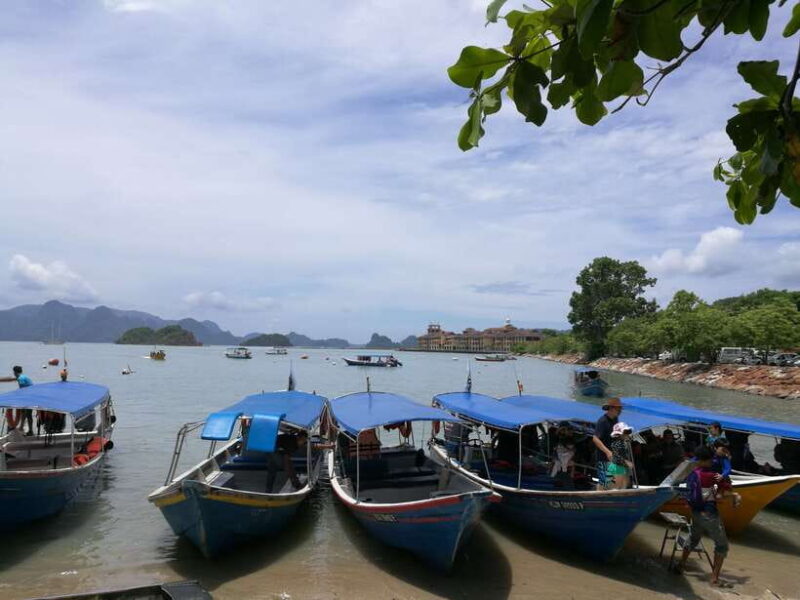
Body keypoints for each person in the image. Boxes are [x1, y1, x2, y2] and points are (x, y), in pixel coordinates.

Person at [671, 446, 729, 586]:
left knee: (693, 538)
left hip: (695, 512)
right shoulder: (712, 475)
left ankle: (680, 565)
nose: (712, 461)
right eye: (710, 459)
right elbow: (723, 492)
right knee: (722, 545)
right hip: (710, 514)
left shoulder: (692, 473)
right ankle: (714, 578)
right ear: (706, 460)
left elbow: (680, 487)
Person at [592, 397, 622, 490]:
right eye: (618, 409)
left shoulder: (615, 419)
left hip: (614, 457)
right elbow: (595, 438)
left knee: (616, 482)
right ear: (611, 409)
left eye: (620, 409)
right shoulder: (603, 421)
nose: (620, 411)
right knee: (605, 483)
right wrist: (607, 452)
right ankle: (599, 495)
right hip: (603, 457)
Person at [0, 366, 34, 435]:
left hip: (29, 398)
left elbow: (22, 390)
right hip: (30, 397)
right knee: (24, 413)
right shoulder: (23, 376)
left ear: (14, 372)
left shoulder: (21, 378)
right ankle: (22, 427)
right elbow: (11, 379)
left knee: (28, 414)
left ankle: (30, 431)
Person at [712, 439, 742, 508]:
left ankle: (734, 495)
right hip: (711, 478)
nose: (725, 452)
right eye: (723, 449)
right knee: (717, 496)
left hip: (721, 479)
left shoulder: (724, 458)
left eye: (726, 450)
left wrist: (722, 475)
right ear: (715, 448)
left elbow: (728, 469)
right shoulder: (709, 455)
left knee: (718, 496)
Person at [606, 422, 634, 489]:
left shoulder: (620, 443)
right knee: (618, 488)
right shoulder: (618, 444)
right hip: (617, 466)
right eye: (626, 432)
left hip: (619, 466)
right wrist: (626, 462)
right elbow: (616, 455)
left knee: (622, 486)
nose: (628, 434)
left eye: (628, 432)